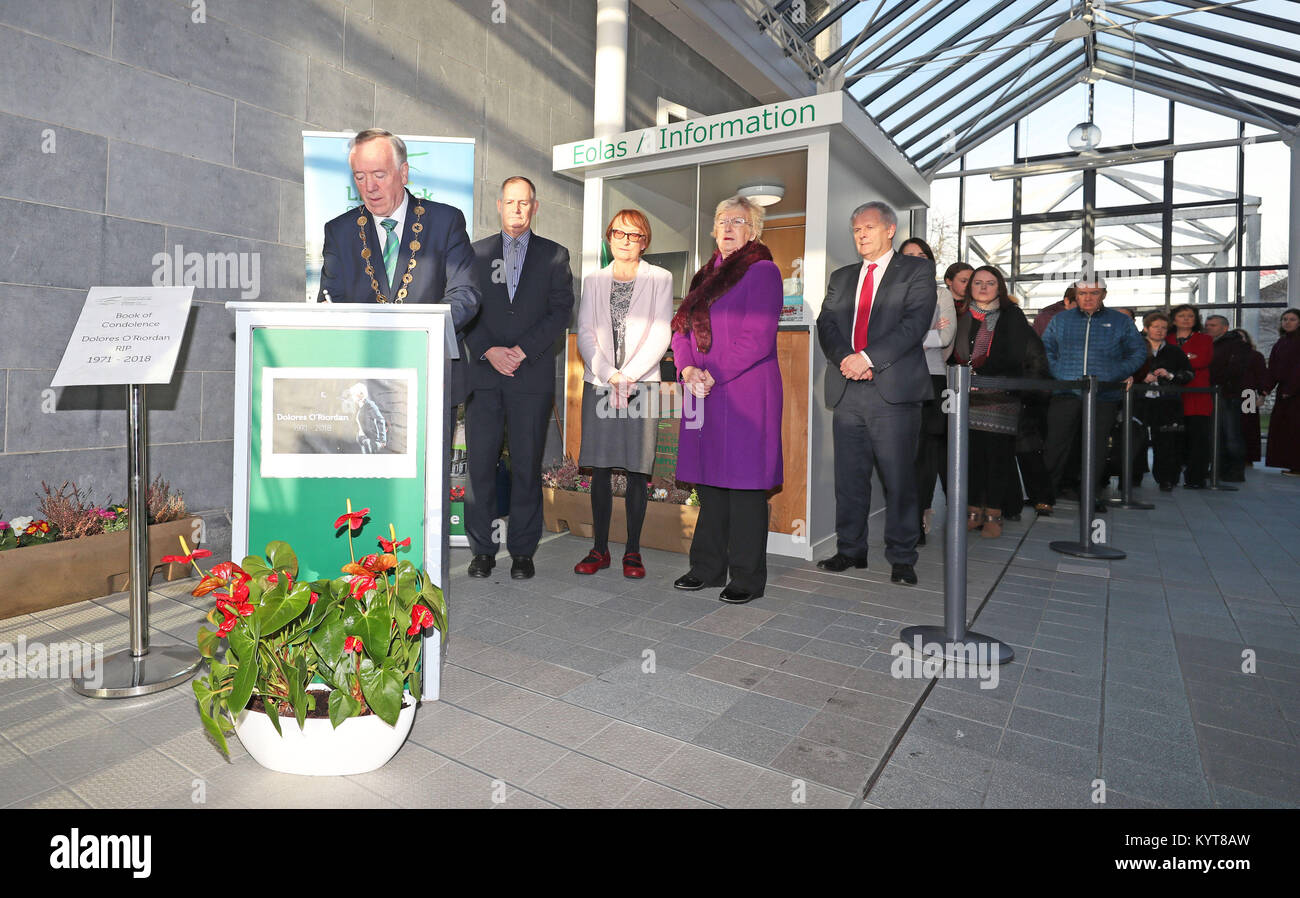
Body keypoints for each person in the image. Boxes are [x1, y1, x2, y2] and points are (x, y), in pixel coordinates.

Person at [669, 196, 783, 604]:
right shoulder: (704, 275)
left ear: (753, 231)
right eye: (722, 221)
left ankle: (747, 578)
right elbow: (679, 330)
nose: (729, 227)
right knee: (710, 483)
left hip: (745, 393)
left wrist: (710, 374)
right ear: (714, 230)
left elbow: (757, 337)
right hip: (701, 391)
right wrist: (686, 371)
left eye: (739, 220)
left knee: (745, 487)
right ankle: (707, 568)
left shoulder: (763, 271)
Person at [317, 129, 480, 412]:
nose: (369, 187)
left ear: (403, 173)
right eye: (360, 177)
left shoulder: (445, 221)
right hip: (362, 384)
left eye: (379, 175)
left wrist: (416, 336)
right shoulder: (339, 231)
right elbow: (332, 300)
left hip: (431, 377)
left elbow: (465, 294)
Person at [816, 201, 935, 585]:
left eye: (868, 227)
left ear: (889, 230)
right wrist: (846, 360)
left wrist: (867, 358)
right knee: (850, 478)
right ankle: (851, 550)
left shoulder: (916, 271)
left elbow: (914, 324)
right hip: (848, 389)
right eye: (856, 230)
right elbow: (827, 323)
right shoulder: (842, 276)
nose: (861, 235)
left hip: (893, 392)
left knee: (898, 478)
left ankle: (902, 556)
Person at [463, 177, 575, 580]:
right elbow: (463, 308)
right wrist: (490, 350)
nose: (517, 209)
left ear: (535, 207)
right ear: (499, 205)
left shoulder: (555, 256)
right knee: (480, 465)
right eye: (510, 202)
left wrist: (522, 351)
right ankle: (482, 551)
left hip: (530, 374)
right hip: (485, 376)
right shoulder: (474, 255)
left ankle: (523, 551)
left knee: (527, 464)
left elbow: (560, 312)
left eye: (524, 203)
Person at [573, 210, 673, 579]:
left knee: (636, 469)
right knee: (599, 467)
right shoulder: (594, 279)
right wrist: (609, 374)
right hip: (600, 380)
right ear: (608, 237)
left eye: (634, 235)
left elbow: (662, 333)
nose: (626, 240)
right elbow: (585, 331)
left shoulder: (660, 278)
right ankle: (599, 549)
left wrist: (627, 376)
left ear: (644, 242)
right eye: (619, 233)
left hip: (641, 383)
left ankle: (633, 551)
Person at [950, 266, 1047, 538]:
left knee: (997, 458)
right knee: (971, 458)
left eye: (989, 283)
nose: (982, 287)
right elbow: (951, 352)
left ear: (999, 288)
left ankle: (994, 514)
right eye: (977, 282)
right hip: (966, 398)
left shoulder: (1011, 316)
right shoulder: (960, 316)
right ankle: (973, 512)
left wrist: (980, 371)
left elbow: (1015, 356)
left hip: (1000, 398)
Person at [1040, 276, 1146, 513]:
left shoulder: (1120, 321)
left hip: (1103, 395)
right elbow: (1046, 348)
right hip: (1066, 391)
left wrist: (1115, 373)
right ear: (1075, 296)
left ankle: (1090, 494)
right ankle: (1046, 494)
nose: (1088, 298)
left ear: (1104, 295)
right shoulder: (1061, 319)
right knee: (1056, 444)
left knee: (1097, 447)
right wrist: (1059, 372)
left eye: (1094, 293)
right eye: (1082, 293)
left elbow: (1138, 352)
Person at [900, 238, 954, 545]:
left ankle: (919, 518)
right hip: (896, 379)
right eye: (910, 256)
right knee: (899, 454)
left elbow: (945, 336)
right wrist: (922, 335)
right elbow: (882, 333)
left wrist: (909, 338)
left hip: (931, 379)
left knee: (924, 455)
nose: (917, 260)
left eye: (922, 255)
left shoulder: (941, 293)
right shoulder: (891, 294)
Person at [1133, 311, 1192, 491]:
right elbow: (1124, 371)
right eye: (1156, 327)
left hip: (1167, 403)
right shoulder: (1136, 348)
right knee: (1136, 439)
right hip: (1139, 401)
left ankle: (1166, 479)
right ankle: (1132, 477)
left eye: (1164, 328)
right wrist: (1143, 377)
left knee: (1166, 441)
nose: (1160, 331)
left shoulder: (1174, 351)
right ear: (1146, 328)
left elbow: (1189, 373)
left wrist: (1171, 375)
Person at [1169, 304, 1214, 488]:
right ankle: (1169, 477)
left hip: (1197, 394)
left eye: (1190, 316)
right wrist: (1188, 357)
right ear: (1174, 319)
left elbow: (1203, 360)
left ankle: (1196, 478)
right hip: (1172, 395)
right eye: (1182, 315)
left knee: (1199, 439)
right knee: (1172, 438)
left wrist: (1177, 362)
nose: (1186, 319)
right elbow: (1162, 361)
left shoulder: (1205, 339)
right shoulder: (1167, 338)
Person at [1205, 314, 1250, 481]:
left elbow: (1236, 370)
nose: (1209, 327)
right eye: (1207, 325)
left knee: (1231, 434)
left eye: (1213, 325)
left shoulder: (1237, 345)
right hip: (1211, 393)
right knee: (1216, 434)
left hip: (1228, 394)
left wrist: (1217, 380)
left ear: (1225, 327)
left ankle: (1235, 471)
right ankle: (1218, 468)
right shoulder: (1208, 343)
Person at [1266, 308, 1300, 476]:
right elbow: (1273, 368)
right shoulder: (1281, 342)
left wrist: (1291, 389)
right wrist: (1265, 390)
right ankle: (1290, 464)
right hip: (1284, 392)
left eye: (1292, 319)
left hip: (1295, 393)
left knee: (1295, 429)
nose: (1287, 322)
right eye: (1285, 319)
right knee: (1285, 429)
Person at [1236, 329, 1269, 467]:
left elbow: (1262, 376)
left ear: (1247, 339)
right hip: (1229, 394)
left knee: (1248, 426)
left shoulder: (1255, 356)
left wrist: (1262, 396)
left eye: (1241, 337)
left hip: (1248, 394)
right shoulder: (1228, 355)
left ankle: (1247, 458)